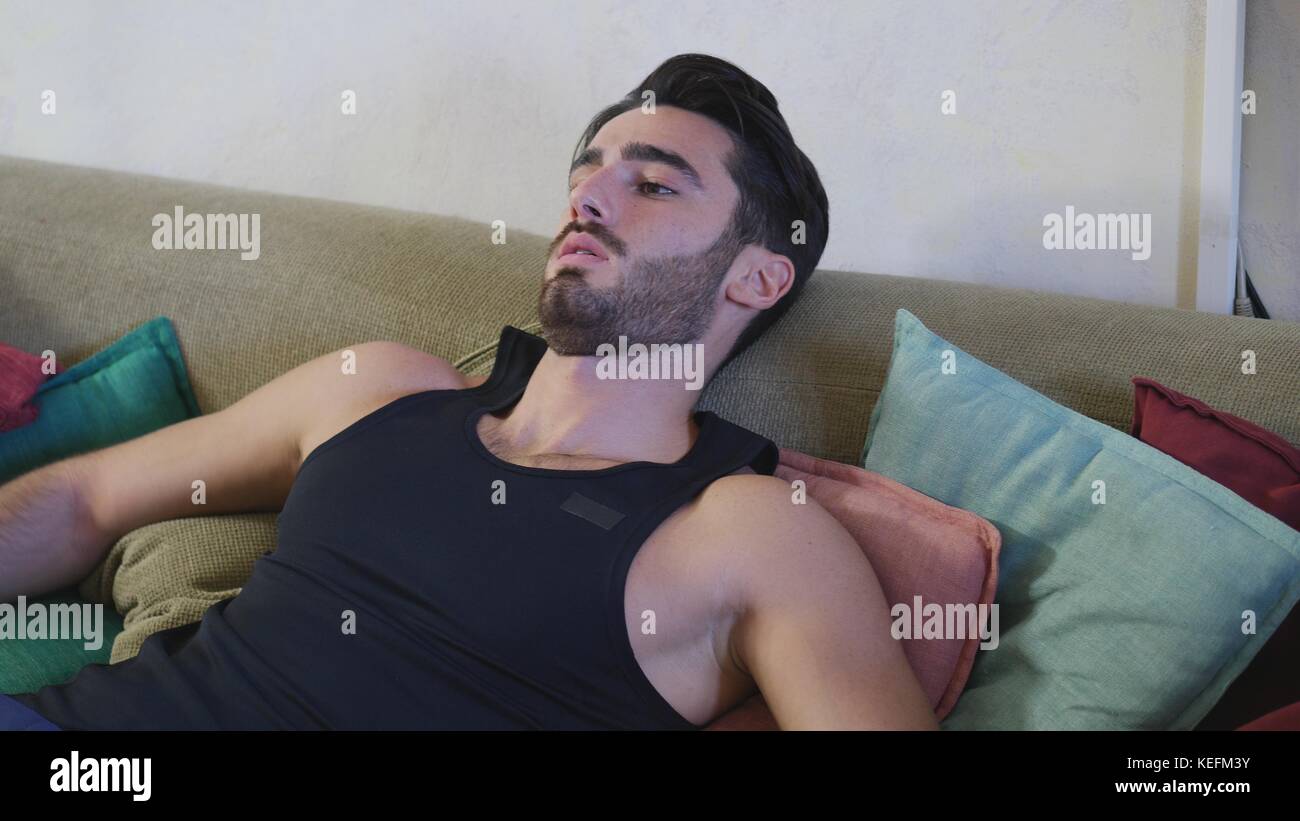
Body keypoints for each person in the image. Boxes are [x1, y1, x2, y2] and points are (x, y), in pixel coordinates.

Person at [0, 53, 938, 731]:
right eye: (588, 174)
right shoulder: (379, 388)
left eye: (652, 185)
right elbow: (83, 497)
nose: (590, 199)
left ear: (757, 278)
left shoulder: (749, 530)